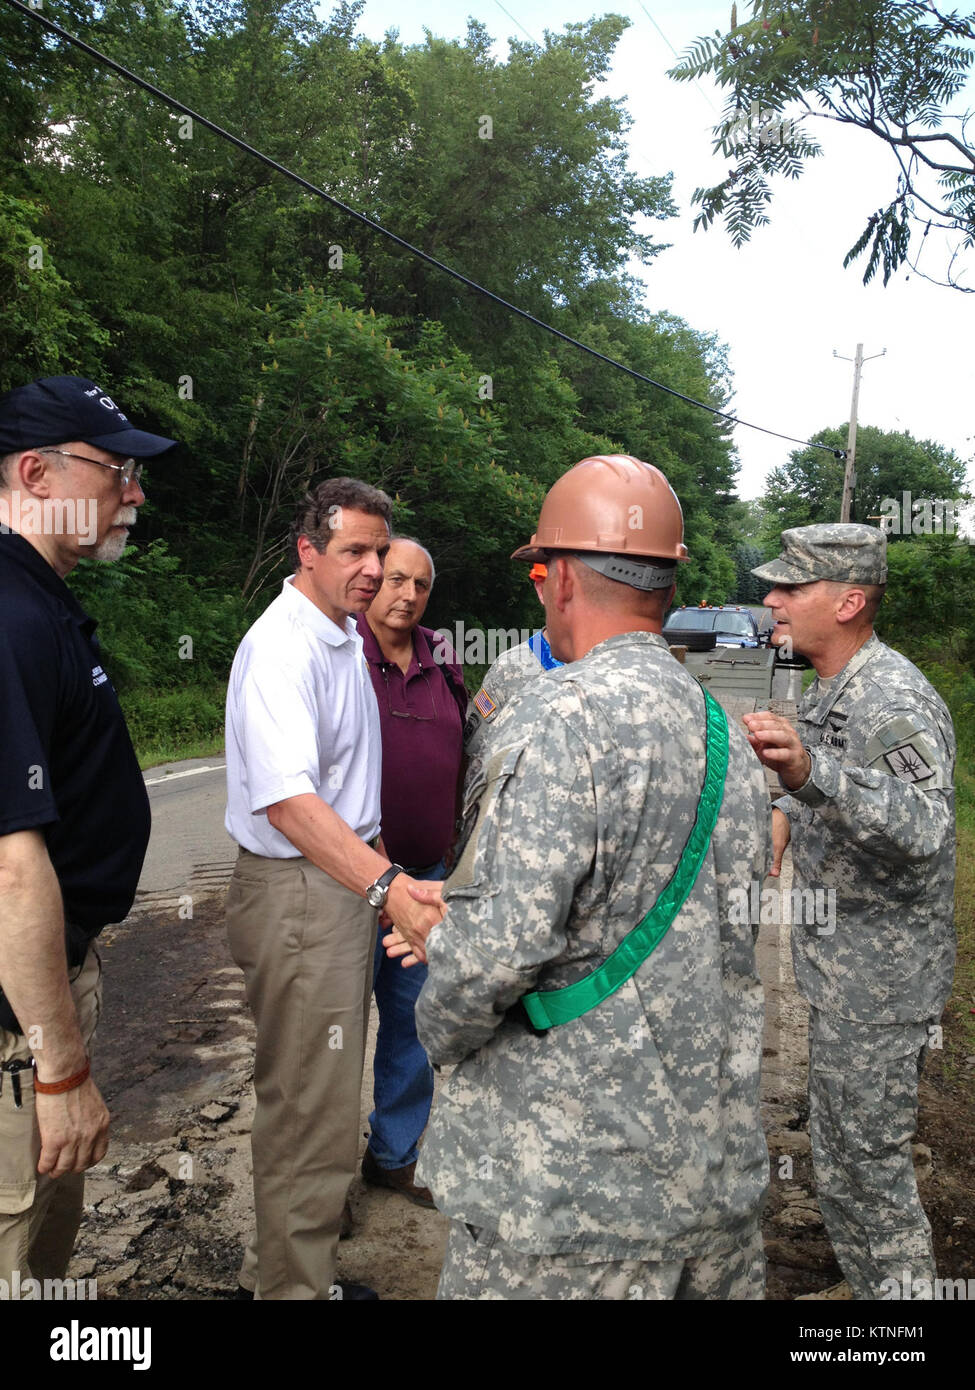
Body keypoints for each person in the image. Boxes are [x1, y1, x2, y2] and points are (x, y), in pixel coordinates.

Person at [388, 454, 772, 1300]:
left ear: (558, 580)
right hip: (707, 1182)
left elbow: (494, 958)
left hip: (566, 1207)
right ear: (667, 585)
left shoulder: (556, 719)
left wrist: (436, 980)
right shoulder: (724, 732)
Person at [224, 480, 446, 1301]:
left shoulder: (341, 636)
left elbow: (348, 786)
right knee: (309, 1107)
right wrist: (387, 885)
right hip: (299, 893)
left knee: (322, 1093)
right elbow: (289, 803)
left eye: (378, 552)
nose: (370, 568)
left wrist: (383, 867)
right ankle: (291, 1291)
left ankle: (288, 1272)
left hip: (339, 884)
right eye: (353, 550)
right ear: (306, 551)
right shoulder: (282, 646)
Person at [744, 523, 956, 1300]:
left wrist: (814, 773)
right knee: (840, 1154)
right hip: (847, 978)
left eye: (790, 587)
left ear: (847, 601)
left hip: (883, 985)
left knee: (867, 1169)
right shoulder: (827, 684)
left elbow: (926, 826)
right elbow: (826, 795)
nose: (771, 600)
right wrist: (787, 807)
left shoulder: (888, 698)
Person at [0, 375, 176, 1289]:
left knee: (45, 1250)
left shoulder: (43, 600)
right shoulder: (10, 615)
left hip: (41, 999)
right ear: (36, 471)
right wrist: (58, 1069)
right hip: (13, 1032)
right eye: (118, 472)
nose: (135, 494)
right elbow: (9, 868)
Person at [354, 538, 467, 1207]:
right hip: (350, 881)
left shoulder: (441, 654)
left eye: (420, 585)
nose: (406, 595)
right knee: (329, 1032)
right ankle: (318, 1185)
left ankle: (394, 1154)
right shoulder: (341, 650)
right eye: (395, 578)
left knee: (413, 1021)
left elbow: (467, 749)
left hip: (425, 878)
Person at [464, 562, 563, 767]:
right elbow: (474, 759)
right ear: (541, 589)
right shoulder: (510, 670)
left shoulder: (622, 669)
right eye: (563, 585)